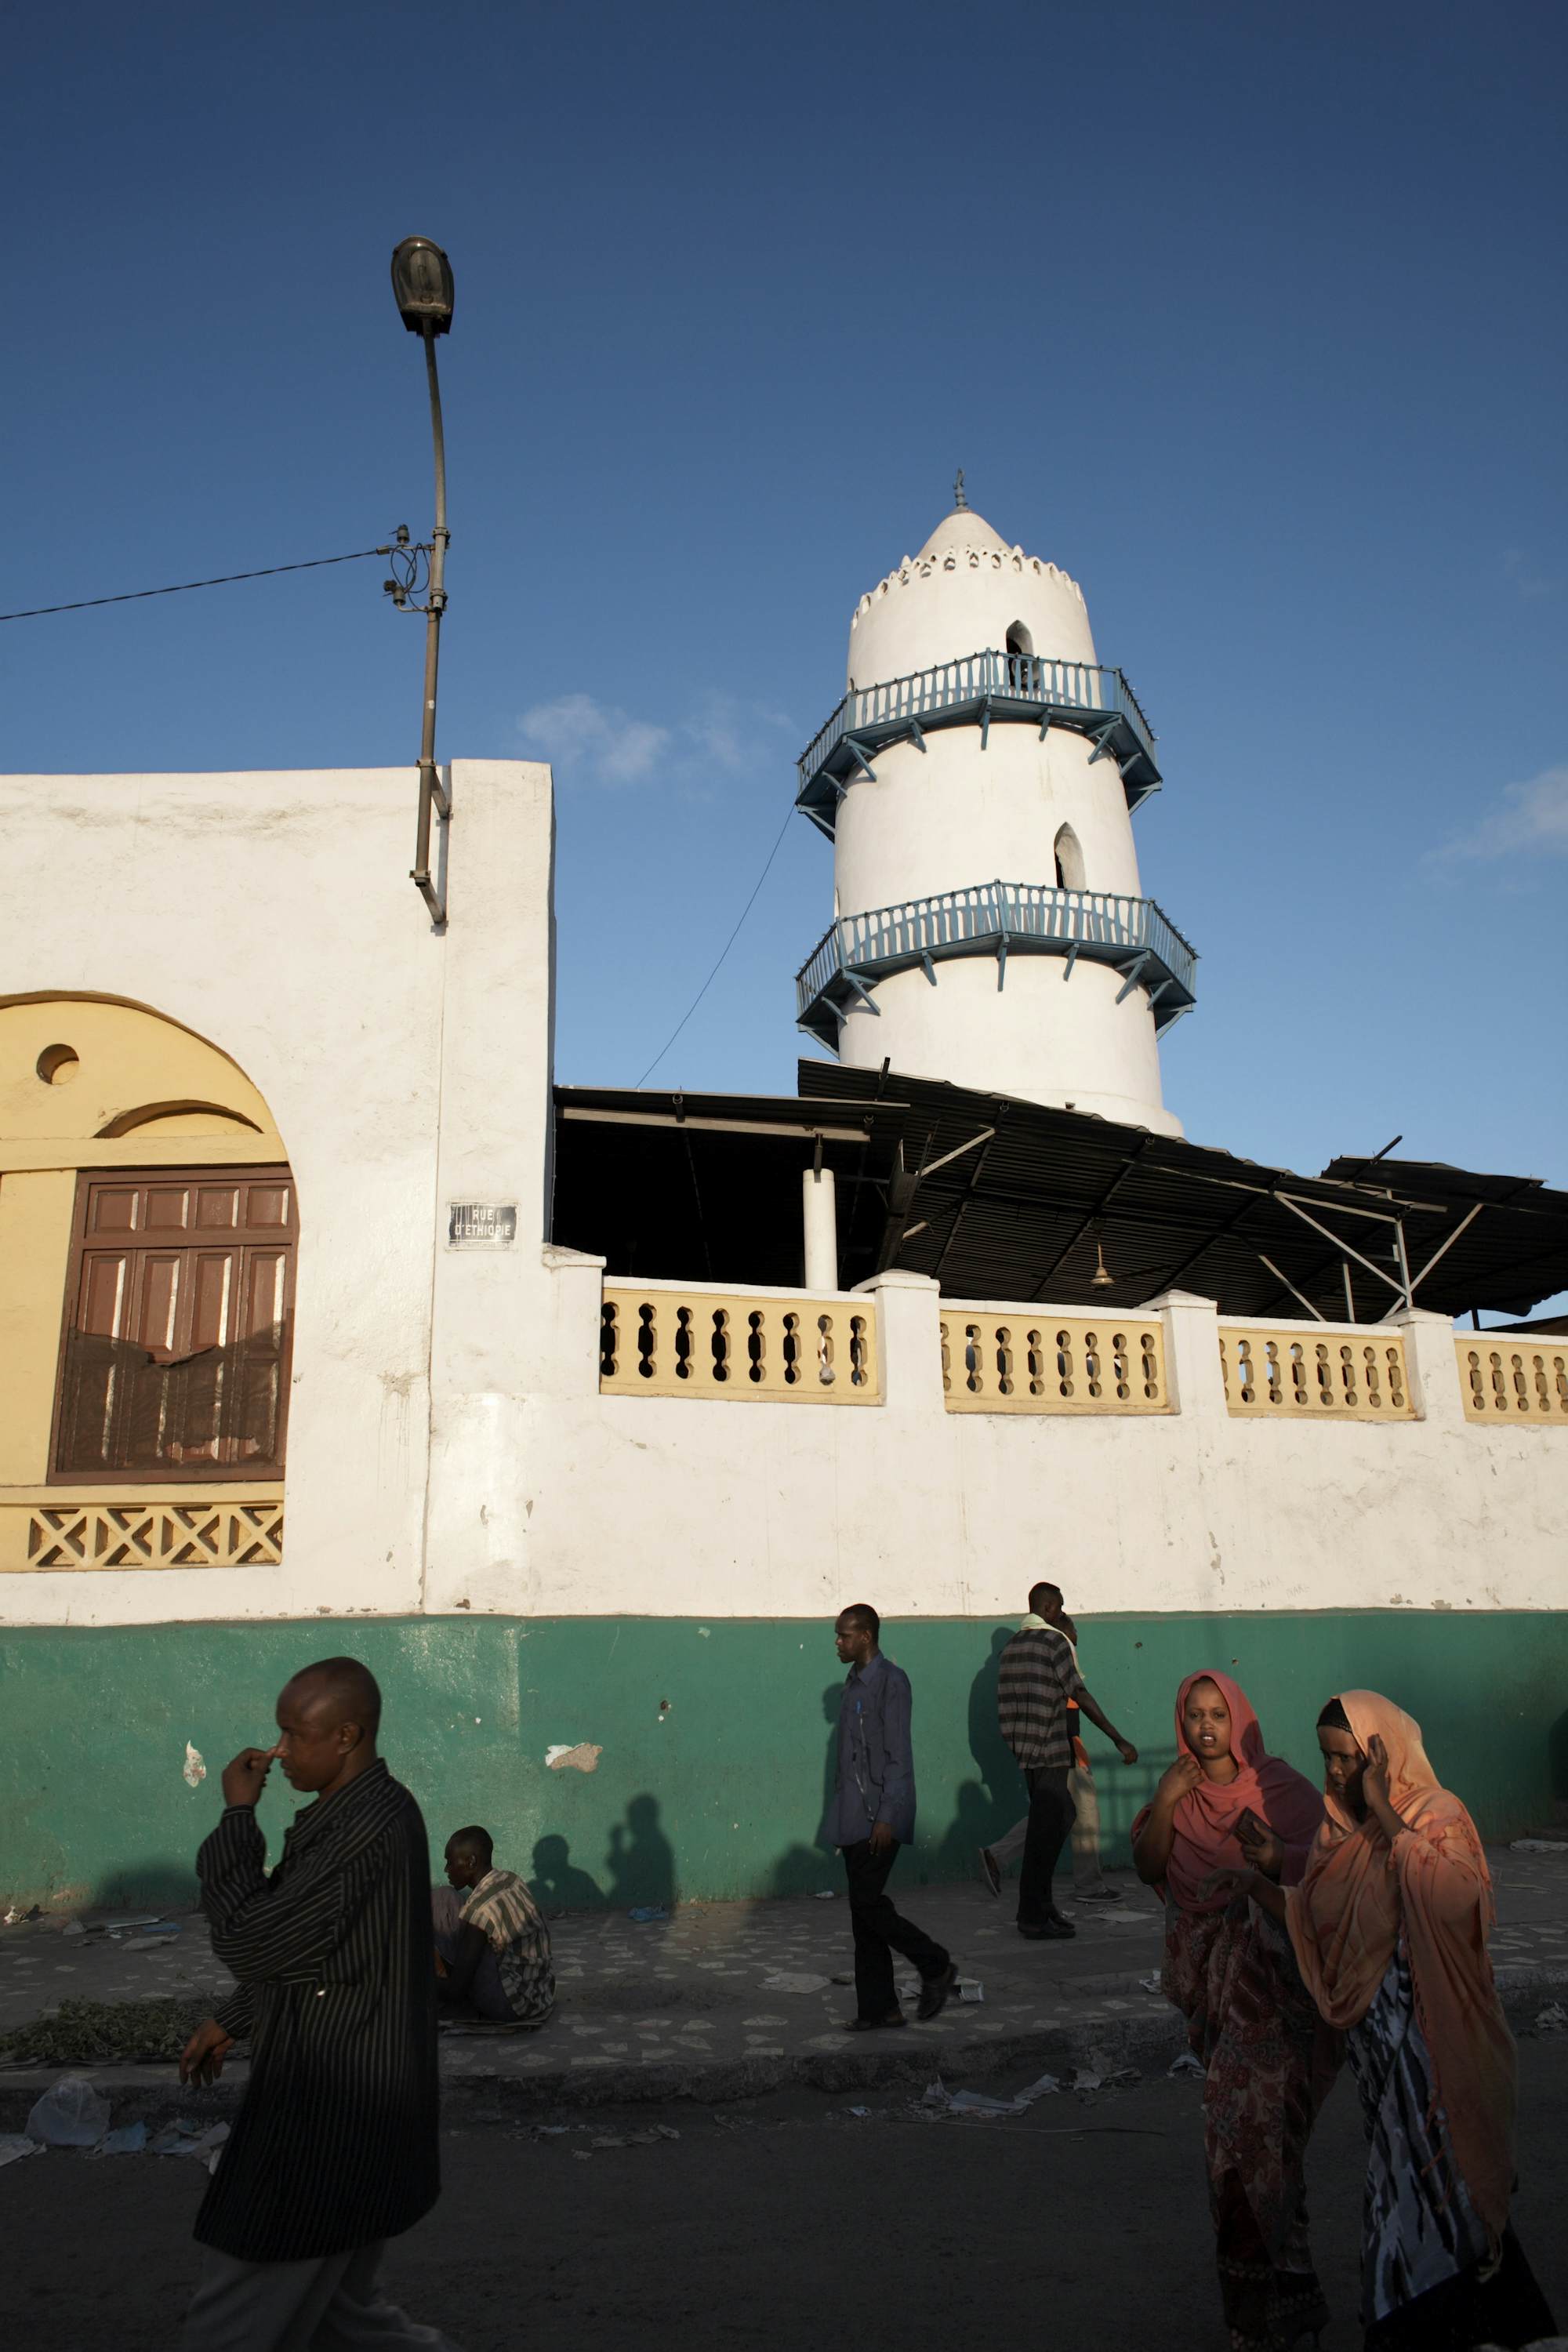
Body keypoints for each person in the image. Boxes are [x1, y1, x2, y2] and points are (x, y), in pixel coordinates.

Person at [1214, 1690, 1558, 2352]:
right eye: (1327, 1758)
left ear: (1381, 1753)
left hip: (1433, 2060)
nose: (1335, 1774)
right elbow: (1321, 1914)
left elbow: (1457, 1901)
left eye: (1346, 1759)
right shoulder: (1337, 1831)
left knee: (1426, 2199)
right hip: (1380, 2071)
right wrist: (1262, 1882)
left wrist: (1387, 1815)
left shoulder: (1437, 1815)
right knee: (1416, 2201)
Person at [176, 1657, 454, 2352]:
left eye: (295, 1736)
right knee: (340, 2316)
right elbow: (320, 1945)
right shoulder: (354, 1812)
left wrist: (238, 1816)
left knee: (241, 2310)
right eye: (279, 1733)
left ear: (346, 1737)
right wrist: (235, 2017)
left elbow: (252, 1939)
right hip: (353, 2097)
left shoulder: (367, 1829)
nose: (276, 1753)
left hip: (331, 2108)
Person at [1132, 1671, 1338, 2352]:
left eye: (1219, 1713)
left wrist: (1272, 1864)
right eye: (1194, 1714)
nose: (1206, 1726)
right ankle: (1288, 2301)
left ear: (1239, 1717)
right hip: (1215, 2006)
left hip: (1280, 2004)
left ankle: (1261, 2313)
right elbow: (1149, 1866)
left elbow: (1329, 1878)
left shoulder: (1281, 1792)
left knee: (1254, 2144)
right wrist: (1164, 1803)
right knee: (1260, 2150)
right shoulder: (1181, 1796)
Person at [830, 1602, 957, 2030]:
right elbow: (849, 1764)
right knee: (862, 1916)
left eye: (844, 1636)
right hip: (853, 1820)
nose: (838, 1643)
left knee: (869, 1905)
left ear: (866, 1636)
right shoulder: (851, 1686)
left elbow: (897, 1756)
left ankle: (935, 1963)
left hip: (880, 1817)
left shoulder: (892, 1683)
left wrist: (887, 1816)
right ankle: (880, 2009)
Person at [996, 1582, 1138, 1940]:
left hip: (1026, 1752)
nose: (1061, 1613)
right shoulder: (1055, 1642)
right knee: (1047, 1831)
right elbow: (1078, 1693)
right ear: (1047, 1607)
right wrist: (1117, 1737)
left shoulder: (1011, 1646)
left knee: (1064, 1817)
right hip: (1050, 1749)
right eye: (1058, 1607)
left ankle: (1044, 1907)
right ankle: (1031, 1914)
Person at [432, 1824, 555, 2027]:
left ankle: (462, 2007)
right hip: (538, 1991)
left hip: (511, 2004)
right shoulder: (509, 1879)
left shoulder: (480, 1911)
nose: (447, 1869)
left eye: (451, 1862)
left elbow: (456, 1990)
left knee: (438, 1906)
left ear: (471, 1862)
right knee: (444, 1897)